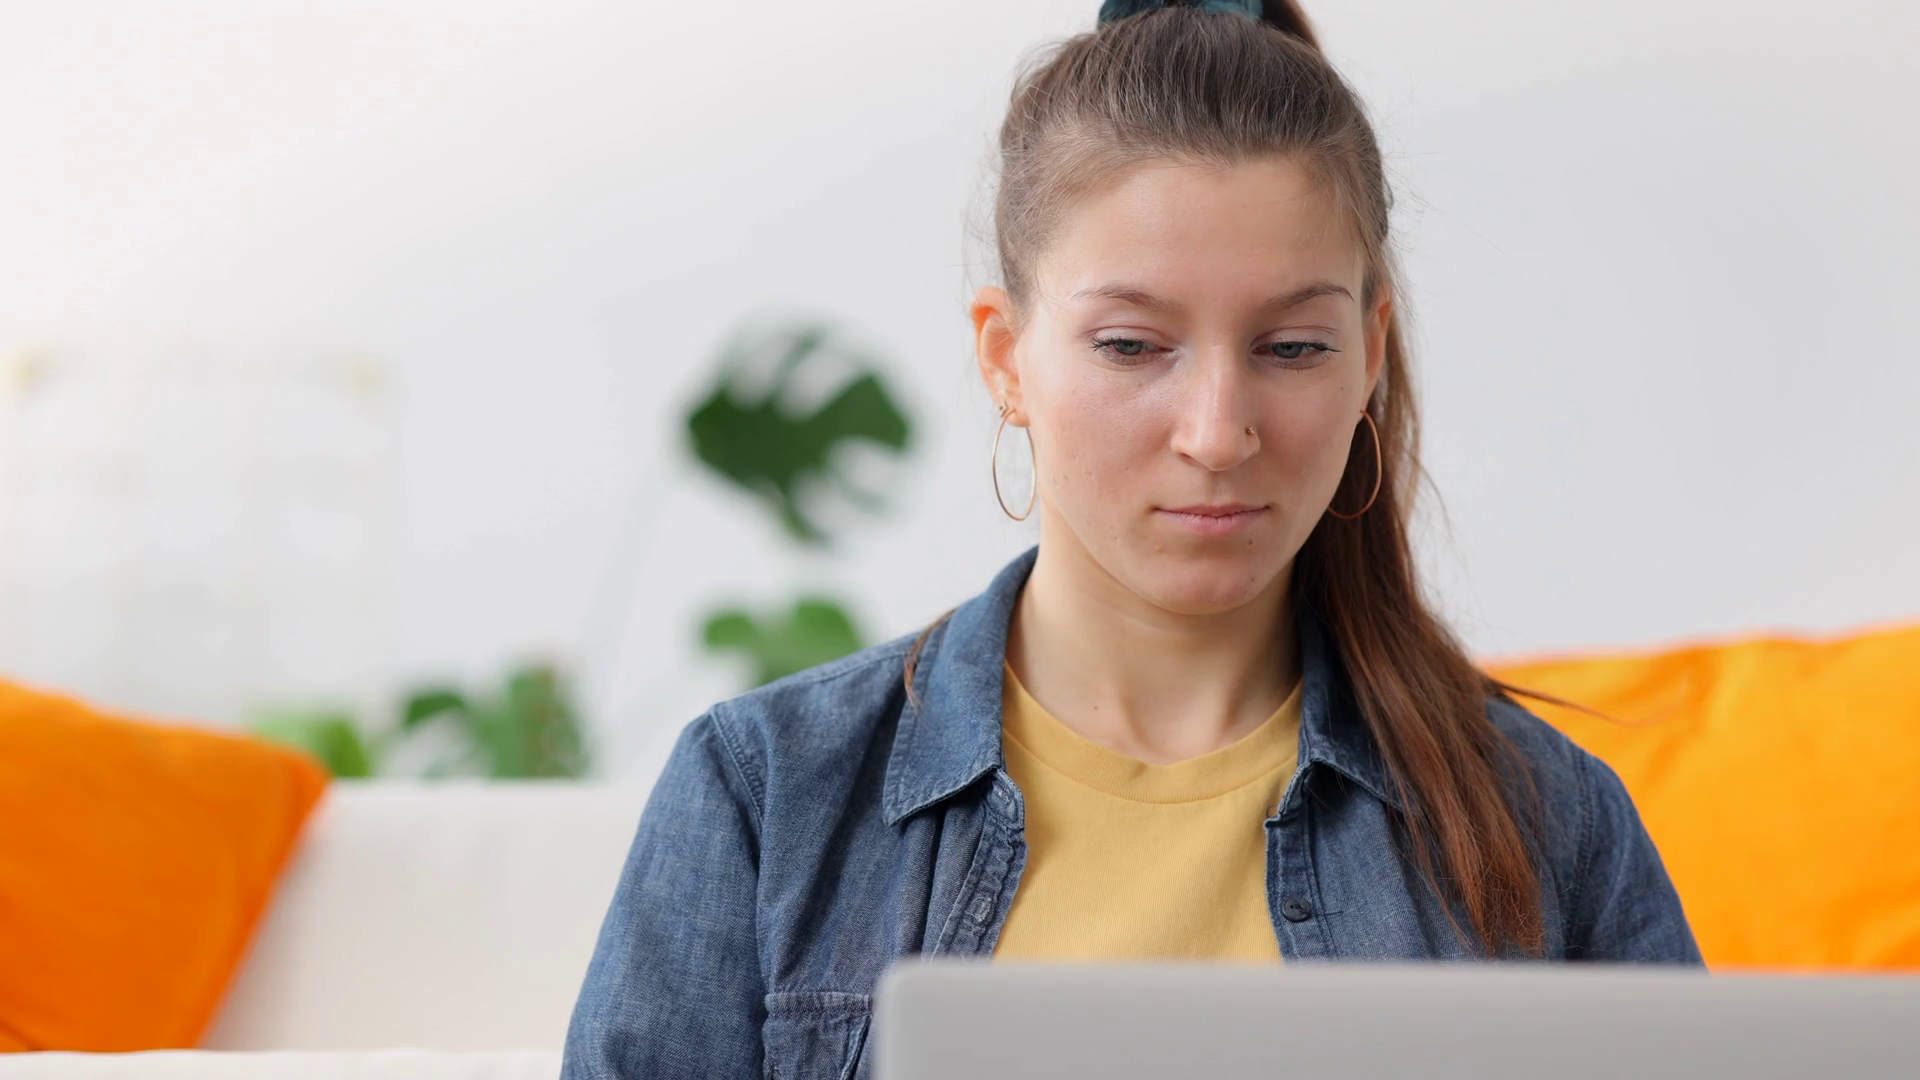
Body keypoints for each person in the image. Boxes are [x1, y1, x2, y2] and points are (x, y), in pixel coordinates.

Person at [561, 1, 1701, 1076]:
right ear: (1006, 358)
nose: (1217, 434)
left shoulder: (1550, 820)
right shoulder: (766, 797)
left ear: (1370, 351)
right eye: (1130, 345)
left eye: (1294, 348)